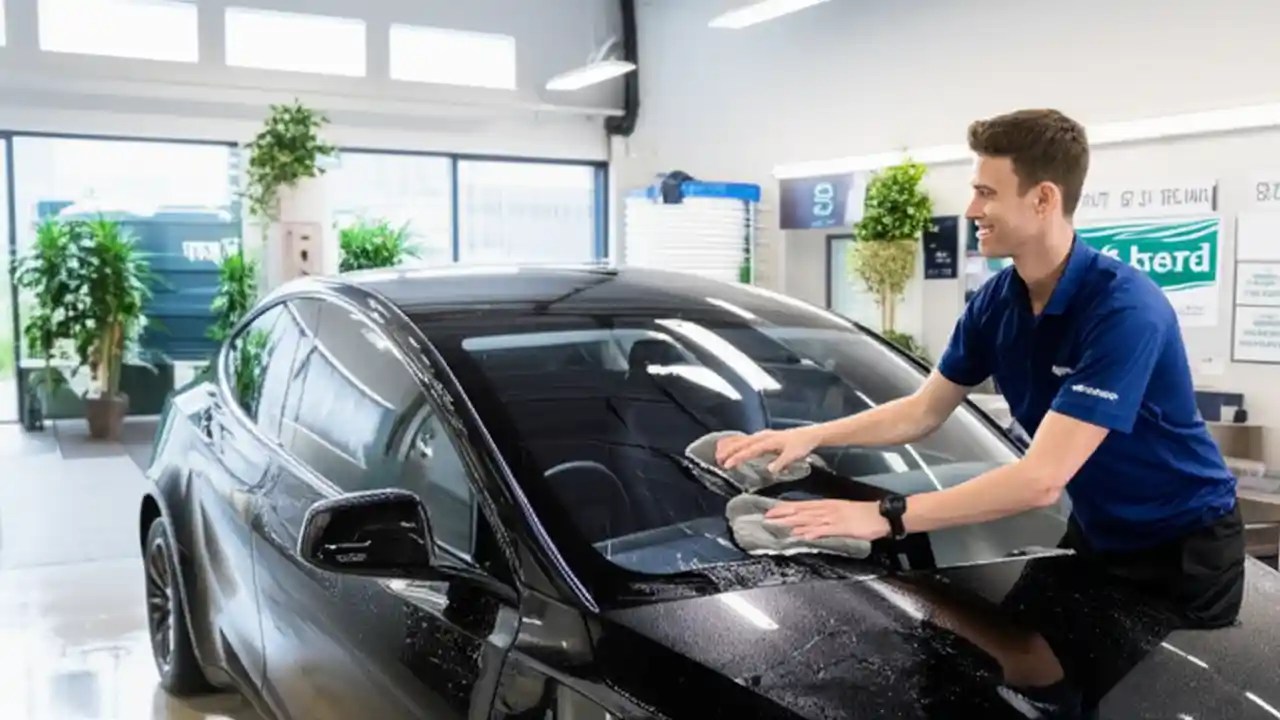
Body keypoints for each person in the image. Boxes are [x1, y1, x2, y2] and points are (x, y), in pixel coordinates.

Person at [716, 108, 1245, 628]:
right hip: (1098, 532)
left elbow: (1040, 481)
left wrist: (883, 517)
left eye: (986, 193)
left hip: (1185, 548)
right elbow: (923, 412)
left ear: (1043, 199)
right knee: (1033, 678)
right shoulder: (997, 302)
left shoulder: (1125, 310)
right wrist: (813, 436)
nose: (971, 210)